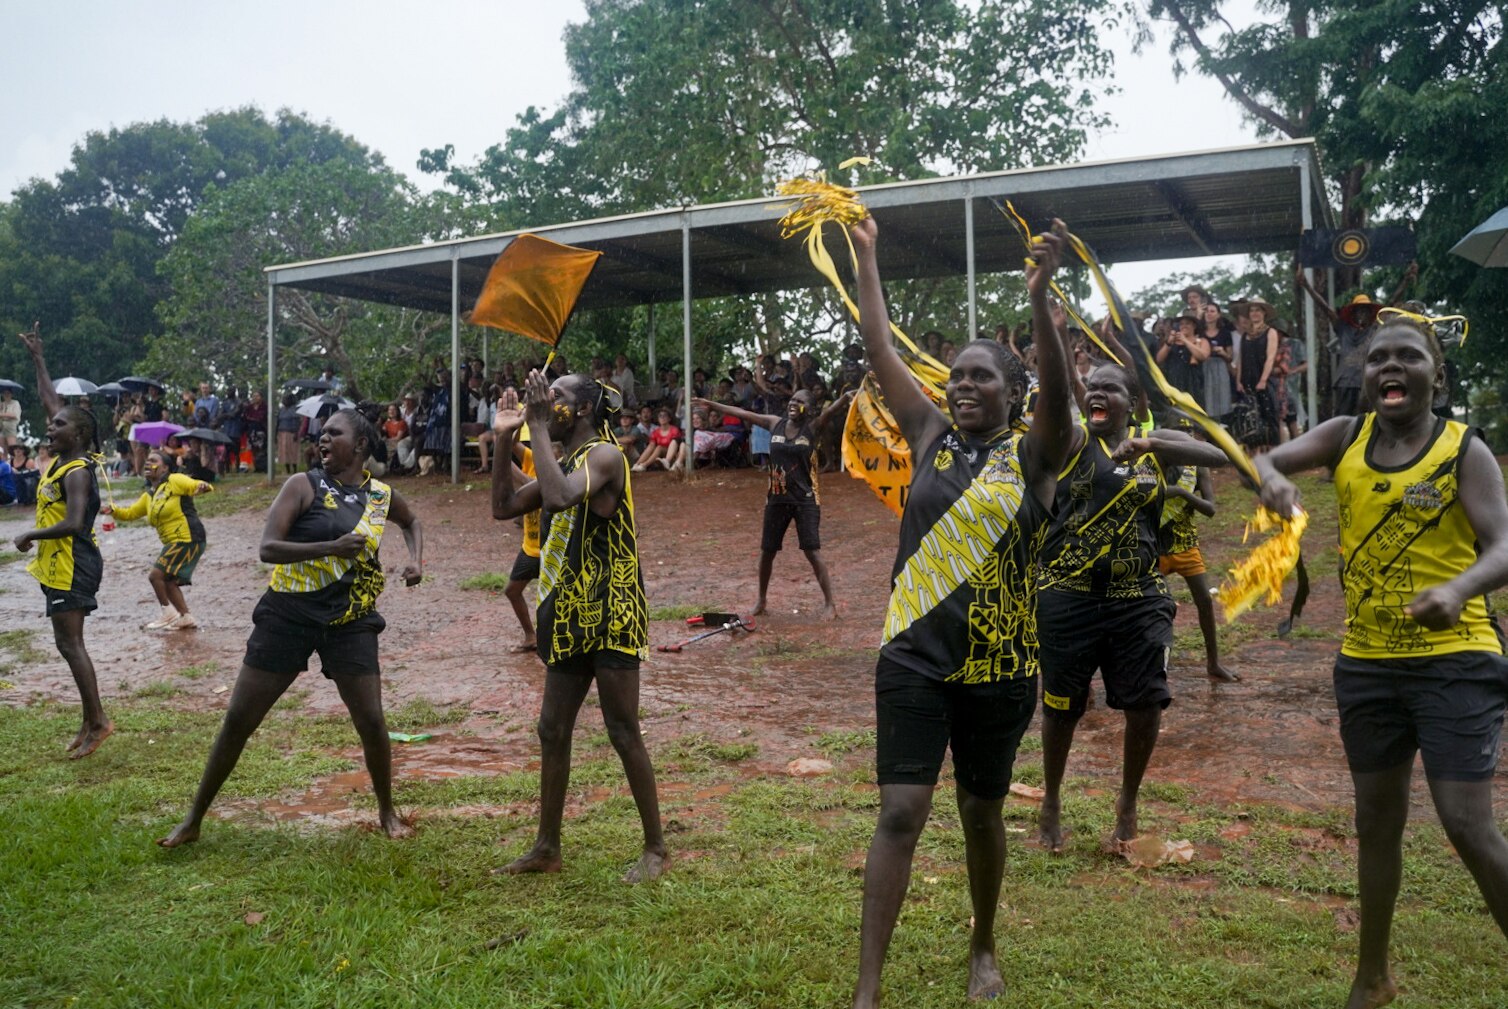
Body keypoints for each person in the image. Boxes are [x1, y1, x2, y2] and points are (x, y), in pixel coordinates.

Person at [847, 216, 1074, 1007]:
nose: (965, 385)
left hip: (1002, 670)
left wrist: (1041, 304)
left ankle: (982, 940)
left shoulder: (1039, 456)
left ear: (1016, 394)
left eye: (984, 377)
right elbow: (880, 349)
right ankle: (868, 990)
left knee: (981, 813)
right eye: (959, 375)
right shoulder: (930, 435)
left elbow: (1065, 406)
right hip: (912, 655)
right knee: (901, 810)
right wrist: (868, 255)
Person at [1253, 317, 1508, 1009]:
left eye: (1409, 357)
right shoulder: (1345, 436)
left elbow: (1503, 546)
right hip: (1366, 664)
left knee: (1466, 822)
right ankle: (1372, 976)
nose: (1390, 367)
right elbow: (1266, 458)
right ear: (1365, 378)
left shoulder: (1464, 451)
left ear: (1437, 376)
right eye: (1377, 359)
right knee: (1376, 822)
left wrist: (1458, 589)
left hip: (1457, 658)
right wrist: (1273, 478)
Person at [158, 409, 424, 847]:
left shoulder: (380, 496)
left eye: (333, 434)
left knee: (372, 721)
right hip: (287, 616)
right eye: (321, 435)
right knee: (240, 719)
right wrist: (331, 547)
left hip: (349, 619)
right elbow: (268, 548)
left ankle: (387, 812)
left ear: (359, 446)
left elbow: (411, 521)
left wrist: (415, 560)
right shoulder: (302, 485)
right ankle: (193, 819)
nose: (323, 440)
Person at [1035, 344, 1228, 855]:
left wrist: (1147, 446)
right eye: (1091, 387)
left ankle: (1127, 802)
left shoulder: (1153, 446)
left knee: (1145, 705)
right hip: (1067, 597)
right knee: (1061, 708)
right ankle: (1051, 801)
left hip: (1138, 597)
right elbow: (1059, 395)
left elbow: (1218, 455)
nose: (1097, 392)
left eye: (1110, 388)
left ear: (1132, 401)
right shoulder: (1072, 441)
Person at [489, 369, 664, 883]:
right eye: (543, 397)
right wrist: (504, 440)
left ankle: (656, 848)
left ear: (584, 409)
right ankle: (546, 847)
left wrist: (536, 427)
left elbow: (562, 496)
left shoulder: (605, 456)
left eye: (556, 396)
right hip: (567, 616)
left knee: (622, 729)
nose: (544, 402)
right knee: (551, 729)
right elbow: (503, 507)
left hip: (611, 611)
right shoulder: (559, 462)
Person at [11, 326, 111, 758]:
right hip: (60, 563)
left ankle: (99, 722)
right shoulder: (66, 455)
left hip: (74, 560)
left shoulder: (76, 471)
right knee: (65, 643)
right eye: (52, 424)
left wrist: (31, 532)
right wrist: (38, 358)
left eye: (58, 426)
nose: (50, 427)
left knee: (71, 644)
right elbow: (52, 401)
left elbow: (73, 522)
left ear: (80, 434)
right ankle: (90, 720)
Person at [693, 389, 851, 619]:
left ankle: (830, 604)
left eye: (800, 401)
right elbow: (743, 413)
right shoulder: (774, 423)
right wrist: (712, 405)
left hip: (805, 500)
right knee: (767, 552)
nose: (794, 404)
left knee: (812, 552)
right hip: (776, 499)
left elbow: (832, 410)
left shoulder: (812, 428)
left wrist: (846, 398)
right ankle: (761, 601)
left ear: (810, 408)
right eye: (792, 400)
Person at [104, 450, 213, 631]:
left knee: (155, 576)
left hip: (188, 538)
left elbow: (194, 485)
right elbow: (130, 513)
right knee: (167, 580)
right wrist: (112, 510)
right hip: (175, 542)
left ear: (165, 468)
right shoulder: (149, 495)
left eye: (153, 461)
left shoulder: (174, 480)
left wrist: (202, 486)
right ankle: (185, 617)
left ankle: (168, 613)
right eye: (146, 461)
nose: (148, 464)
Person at [1157, 446, 1237, 683]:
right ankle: (1159, 666)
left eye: (1188, 434)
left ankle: (1213, 663)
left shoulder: (1197, 468)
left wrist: (1183, 493)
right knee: (1161, 607)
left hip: (1186, 545)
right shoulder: (1153, 462)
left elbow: (1210, 509)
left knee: (1205, 600)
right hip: (1154, 547)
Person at [1236, 300, 1281, 449]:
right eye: (1252, 310)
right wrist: (1238, 381)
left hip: (1264, 381)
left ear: (1264, 313)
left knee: (1269, 419)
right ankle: (1255, 464)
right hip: (1247, 381)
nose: (1254, 313)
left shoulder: (1271, 332)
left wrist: (1263, 380)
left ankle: (1273, 459)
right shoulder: (1245, 335)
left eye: (1258, 310)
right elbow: (1241, 360)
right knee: (1251, 421)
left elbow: (1270, 357)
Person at [631, 408, 683, 472]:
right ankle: (637, 464)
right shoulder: (656, 431)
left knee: (659, 447)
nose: (662, 418)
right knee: (651, 445)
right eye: (660, 416)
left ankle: (644, 465)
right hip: (659, 458)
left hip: (673, 456)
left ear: (669, 418)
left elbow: (676, 445)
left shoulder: (674, 430)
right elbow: (651, 446)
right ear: (658, 419)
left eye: (665, 416)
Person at [276, 393, 301, 474]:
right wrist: (275, 434)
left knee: (293, 451)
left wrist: (296, 434)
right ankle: (287, 470)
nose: (283, 400)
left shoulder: (294, 410)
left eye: (285, 399)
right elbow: (278, 422)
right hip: (282, 432)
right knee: (284, 452)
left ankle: (294, 470)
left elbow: (297, 423)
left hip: (292, 433)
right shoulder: (281, 410)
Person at [0, 385, 20, 449]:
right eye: (5, 393)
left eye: (8, 393)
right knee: (2, 450)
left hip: (10, 427)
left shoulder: (15, 403)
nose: (6, 395)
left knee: (12, 449)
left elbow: (14, 415)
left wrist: (2, 414)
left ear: (11, 394)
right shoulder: (2, 404)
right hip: (2, 427)